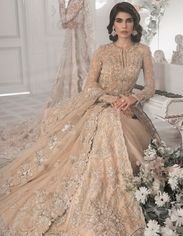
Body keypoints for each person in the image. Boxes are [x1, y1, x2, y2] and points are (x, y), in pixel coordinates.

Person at [0, 2, 160, 235]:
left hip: (127, 106)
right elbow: (90, 85)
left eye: (128, 20)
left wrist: (134, 98)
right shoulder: (103, 51)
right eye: (119, 21)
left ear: (135, 23)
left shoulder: (143, 50)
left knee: (130, 133)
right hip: (101, 105)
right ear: (113, 25)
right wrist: (108, 99)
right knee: (106, 125)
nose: (124, 26)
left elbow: (151, 86)